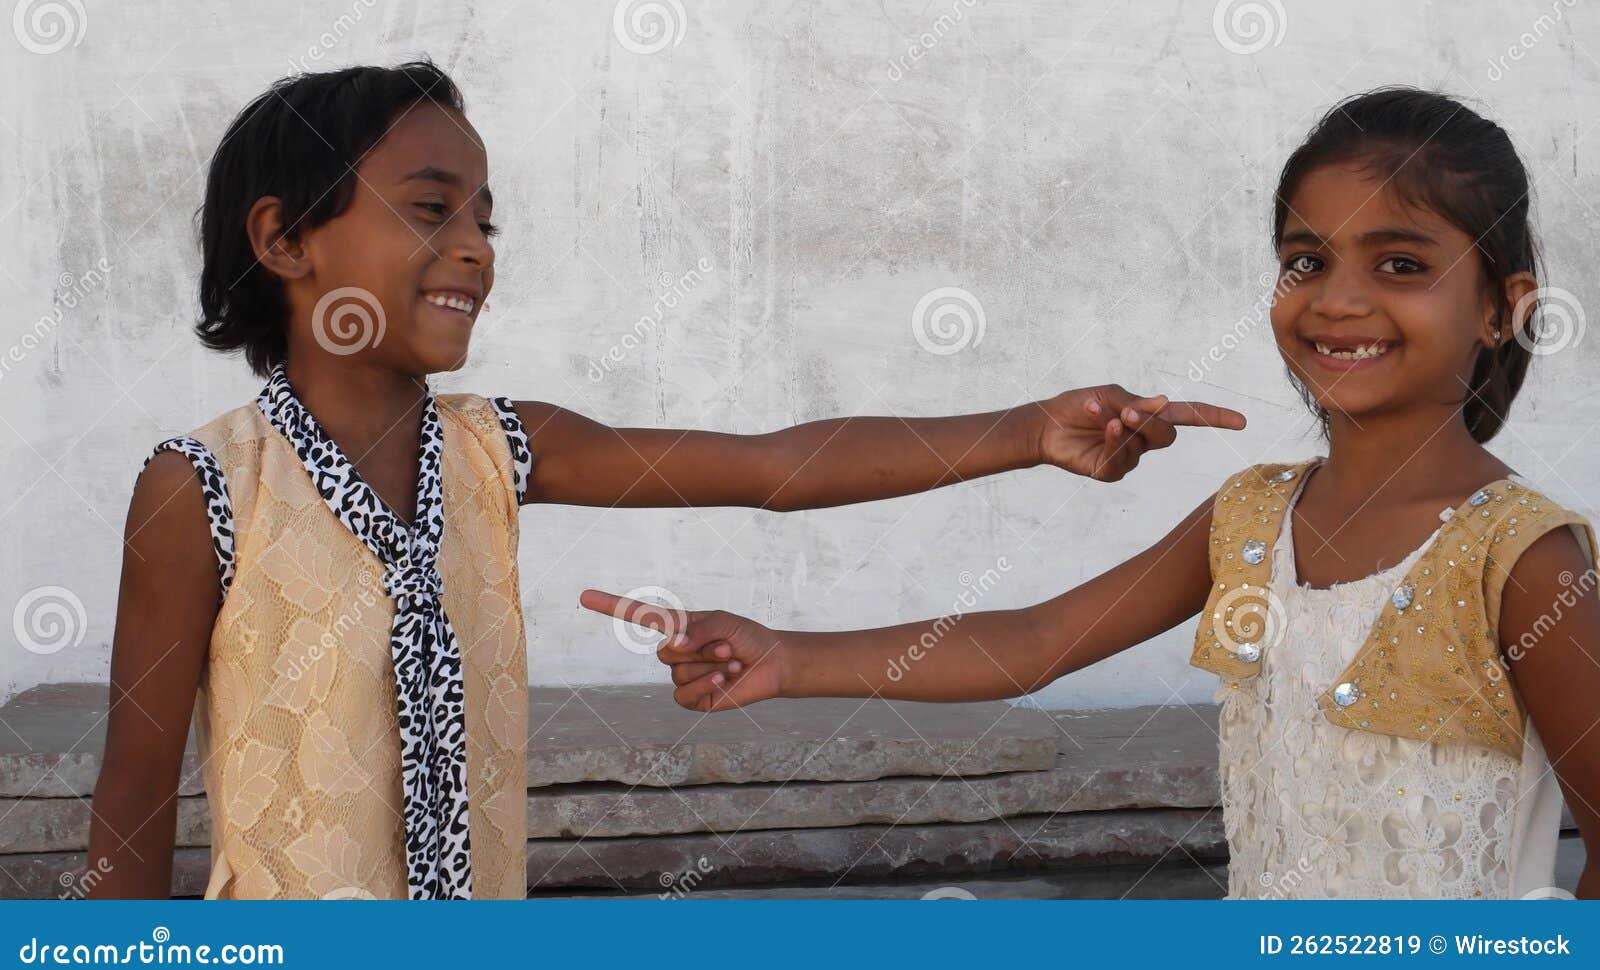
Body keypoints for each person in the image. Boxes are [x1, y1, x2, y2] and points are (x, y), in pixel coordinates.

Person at [87, 60, 1242, 900]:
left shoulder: (497, 447)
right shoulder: (205, 489)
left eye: (486, 219)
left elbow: (777, 468)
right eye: (431, 209)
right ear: (287, 240)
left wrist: (1028, 428)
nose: (479, 247)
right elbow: (131, 805)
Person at [586, 87, 1600, 899]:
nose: (1336, 298)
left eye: (1400, 262)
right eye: (1305, 260)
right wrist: (787, 654)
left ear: (1501, 310)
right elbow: (1035, 642)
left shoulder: (1522, 559)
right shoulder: (1252, 514)